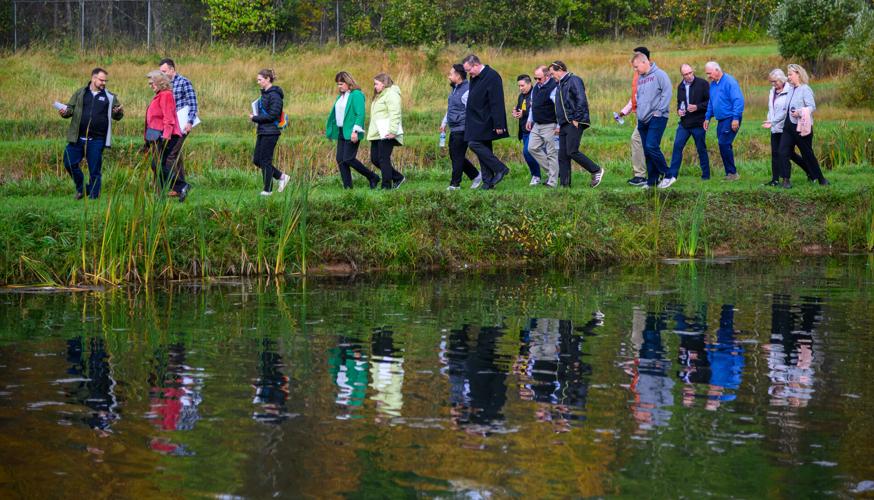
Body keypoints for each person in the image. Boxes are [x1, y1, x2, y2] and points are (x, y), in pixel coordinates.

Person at [58, 67, 124, 200]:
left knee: (95, 170)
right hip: (77, 138)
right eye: (101, 80)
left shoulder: (109, 97)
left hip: (97, 140)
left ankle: (94, 197)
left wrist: (118, 112)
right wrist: (65, 112)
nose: (104, 83)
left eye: (105, 81)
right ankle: (83, 188)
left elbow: (118, 115)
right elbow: (70, 109)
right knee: (69, 162)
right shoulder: (80, 93)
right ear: (93, 78)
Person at [550, 61, 605, 188]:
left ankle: (596, 170)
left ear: (560, 69)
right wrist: (559, 124)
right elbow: (560, 107)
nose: (552, 77)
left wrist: (577, 118)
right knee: (562, 156)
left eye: (553, 73)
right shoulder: (560, 84)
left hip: (574, 121)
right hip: (564, 124)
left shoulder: (574, 80)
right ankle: (565, 186)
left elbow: (581, 99)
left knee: (572, 151)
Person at [462, 54, 511, 190]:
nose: (468, 73)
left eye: (469, 70)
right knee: (484, 148)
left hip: (486, 120)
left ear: (476, 65)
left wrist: (499, 124)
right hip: (475, 120)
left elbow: (497, 102)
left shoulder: (492, 76)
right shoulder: (475, 77)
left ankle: (500, 168)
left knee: (474, 143)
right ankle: (488, 182)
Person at [325, 71, 380, 189]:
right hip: (341, 131)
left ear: (348, 82)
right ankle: (348, 187)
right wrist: (331, 131)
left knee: (348, 158)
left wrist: (355, 131)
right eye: (338, 84)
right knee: (340, 159)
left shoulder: (356, 94)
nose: (339, 86)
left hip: (352, 131)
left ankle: (372, 177)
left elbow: (360, 114)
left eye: (341, 84)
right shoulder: (341, 96)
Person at [779, 64, 828, 188]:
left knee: (807, 154)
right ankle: (786, 180)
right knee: (783, 151)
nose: (788, 77)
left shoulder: (805, 89)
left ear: (798, 74)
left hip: (802, 127)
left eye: (790, 74)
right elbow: (786, 108)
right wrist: (773, 122)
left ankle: (821, 179)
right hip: (788, 126)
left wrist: (800, 112)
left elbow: (812, 107)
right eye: (788, 74)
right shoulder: (790, 89)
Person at [145, 70, 189, 202]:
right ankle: (164, 193)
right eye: (149, 83)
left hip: (165, 136)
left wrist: (166, 136)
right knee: (159, 164)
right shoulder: (160, 95)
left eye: (152, 83)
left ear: (160, 82)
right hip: (159, 135)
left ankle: (181, 186)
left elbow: (169, 118)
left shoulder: (166, 95)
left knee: (157, 164)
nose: (150, 86)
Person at [631, 52, 672, 188]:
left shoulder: (660, 74)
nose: (635, 70)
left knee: (651, 146)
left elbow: (667, 92)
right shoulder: (641, 78)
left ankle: (668, 175)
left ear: (644, 62)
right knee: (647, 150)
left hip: (657, 117)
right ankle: (652, 181)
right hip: (643, 120)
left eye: (636, 67)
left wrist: (659, 111)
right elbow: (640, 98)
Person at [763, 68, 810, 186]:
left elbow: (786, 111)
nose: (773, 84)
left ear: (781, 79)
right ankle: (775, 180)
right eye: (771, 82)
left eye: (775, 82)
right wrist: (770, 119)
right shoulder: (772, 91)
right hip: (774, 126)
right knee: (775, 153)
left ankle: (809, 171)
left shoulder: (790, 90)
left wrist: (773, 121)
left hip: (786, 127)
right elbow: (771, 108)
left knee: (788, 153)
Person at [158, 58, 198, 197]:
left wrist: (190, 122)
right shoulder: (164, 85)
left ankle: (177, 186)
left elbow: (193, 103)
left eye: (164, 71)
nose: (161, 74)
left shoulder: (183, 82)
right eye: (160, 72)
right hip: (171, 126)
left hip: (182, 124)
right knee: (177, 156)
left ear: (172, 70)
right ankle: (181, 184)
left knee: (170, 156)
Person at [440, 64, 482, 190]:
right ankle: (475, 175)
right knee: (454, 155)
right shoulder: (455, 89)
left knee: (457, 156)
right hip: (454, 128)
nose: (449, 76)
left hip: (463, 128)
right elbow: (451, 109)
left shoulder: (467, 90)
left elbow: (472, 110)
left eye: (451, 74)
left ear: (458, 76)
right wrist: (444, 123)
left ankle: (455, 184)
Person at [249, 68, 290, 196]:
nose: (258, 82)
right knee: (257, 160)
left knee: (265, 161)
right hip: (262, 131)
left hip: (271, 132)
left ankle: (268, 190)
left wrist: (255, 118)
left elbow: (273, 115)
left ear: (268, 79)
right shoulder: (264, 95)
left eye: (260, 79)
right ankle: (282, 177)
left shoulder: (275, 95)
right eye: (257, 80)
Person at [703, 61, 745, 181]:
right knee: (723, 145)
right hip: (721, 119)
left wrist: (736, 118)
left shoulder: (729, 82)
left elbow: (738, 100)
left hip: (731, 117)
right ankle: (730, 173)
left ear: (717, 70)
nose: (708, 76)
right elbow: (711, 102)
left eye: (709, 73)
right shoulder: (713, 84)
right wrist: (707, 117)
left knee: (724, 143)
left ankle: (732, 173)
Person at [668, 64, 710, 182]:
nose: (689, 76)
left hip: (698, 123)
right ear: (682, 75)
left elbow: (710, 102)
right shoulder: (680, 86)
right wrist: (678, 111)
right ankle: (672, 175)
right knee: (677, 146)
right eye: (686, 74)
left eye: (690, 73)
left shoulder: (703, 84)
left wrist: (697, 107)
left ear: (693, 71)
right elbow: (679, 102)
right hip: (684, 124)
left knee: (701, 148)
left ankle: (706, 176)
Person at [618, 46, 650, 187]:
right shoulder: (638, 73)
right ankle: (648, 174)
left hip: (648, 116)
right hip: (640, 114)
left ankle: (642, 175)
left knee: (640, 141)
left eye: (637, 58)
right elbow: (636, 97)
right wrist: (624, 111)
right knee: (646, 144)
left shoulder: (649, 75)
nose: (634, 65)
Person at [366, 73, 405, 189]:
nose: (375, 86)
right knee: (375, 159)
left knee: (383, 159)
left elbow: (395, 113)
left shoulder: (391, 94)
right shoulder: (380, 95)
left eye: (377, 84)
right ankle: (398, 177)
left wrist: (393, 131)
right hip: (377, 133)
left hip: (387, 132)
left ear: (384, 84)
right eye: (374, 84)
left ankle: (386, 186)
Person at [525, 65, 559, 188]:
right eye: (535, 78)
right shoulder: (536, 88)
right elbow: (532, 105)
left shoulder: (554, 87)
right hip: (537, 124)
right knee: (532, 148)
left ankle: (553, 182)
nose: (537, 81)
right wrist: (530, 119)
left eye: (539, 78)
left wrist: (559, 125)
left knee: (551, 153)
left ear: (547, 76)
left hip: (550, 124)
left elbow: (559, 107)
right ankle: (552, 173)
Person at [512, 74, 542, 186]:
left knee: (527, 151)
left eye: (522, 85)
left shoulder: (536, 94)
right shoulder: (521, 96)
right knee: (528, 153)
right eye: (519, 86)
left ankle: (537, 176)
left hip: (535, 129)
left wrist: (523, 113)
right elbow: (521, 109)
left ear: (529, 84)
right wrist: (516, 112)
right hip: (524, 130)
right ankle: (538, 175)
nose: (520, 88)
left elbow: (536, 110)